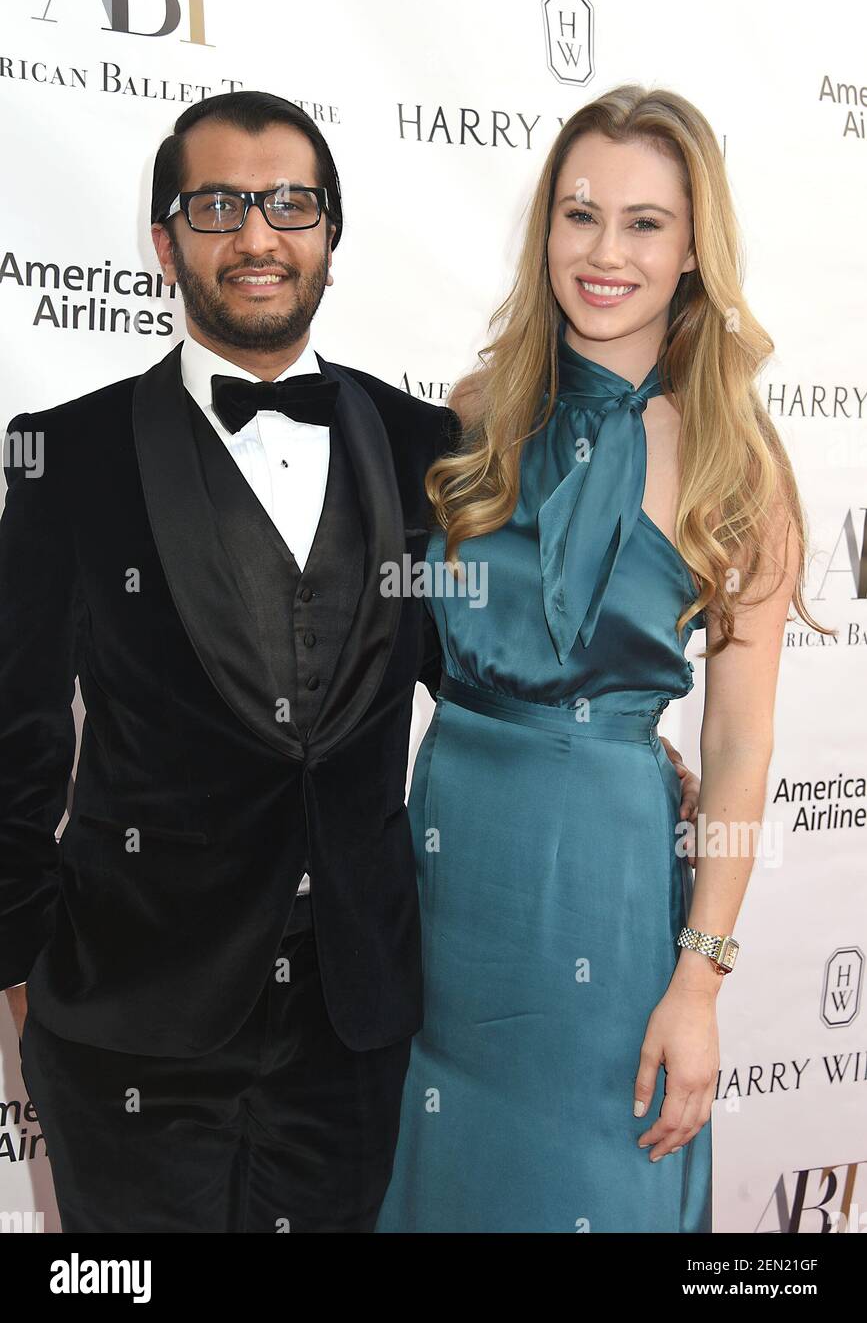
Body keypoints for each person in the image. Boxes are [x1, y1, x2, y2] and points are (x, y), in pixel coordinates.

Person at [0, 89, 699, 1234]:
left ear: (331, 232)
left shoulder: (429, 446)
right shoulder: (62, 455)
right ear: (166, 239)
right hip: (129, 1033)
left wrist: (630, 749)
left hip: (361, 1032)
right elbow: (15, 740)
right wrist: (35, 993)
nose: (259, 236)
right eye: (220, 205)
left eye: (290, 204)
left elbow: (488, 663)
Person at [375, 84, 833, 1234]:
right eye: (581, 215)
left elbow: (735, 745)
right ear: (546, 231)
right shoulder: (475, 417)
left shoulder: (740, 465)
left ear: (692, 251)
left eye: (645, 223)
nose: (606, 250)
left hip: (610, 899)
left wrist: (700, 979)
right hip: (447, 876)